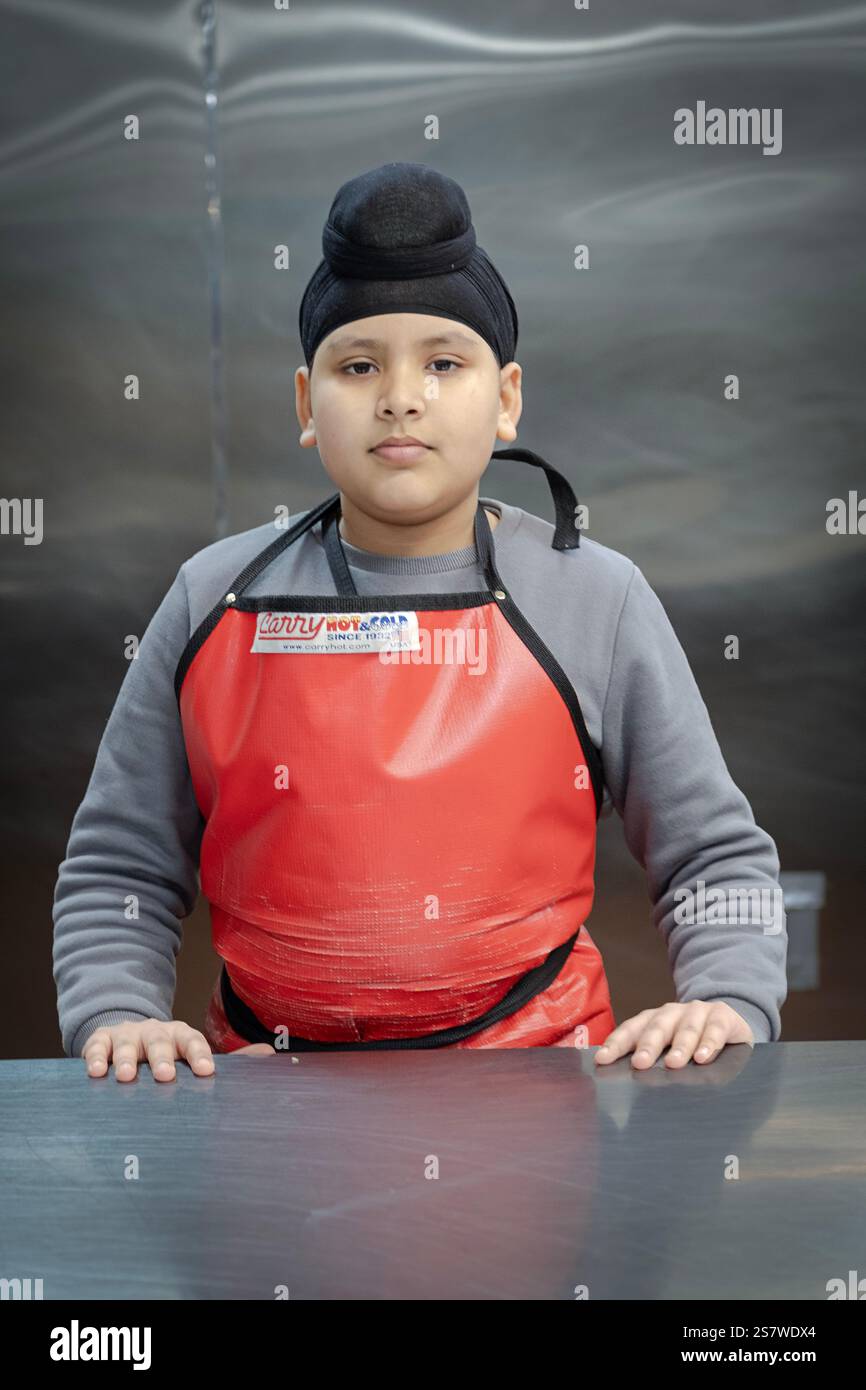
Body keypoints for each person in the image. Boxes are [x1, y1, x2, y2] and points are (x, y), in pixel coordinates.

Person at [52, 162, 787, 1081]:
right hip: (263, 1103)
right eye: (358, 366)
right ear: (304, 406)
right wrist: (115, 1012)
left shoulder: (595, 598)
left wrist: (729, 994)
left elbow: (713, 857)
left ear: (507, 397)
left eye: (444, 362)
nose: (401, 396)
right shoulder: (213, 598)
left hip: (539, 1095)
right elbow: (120, 866)